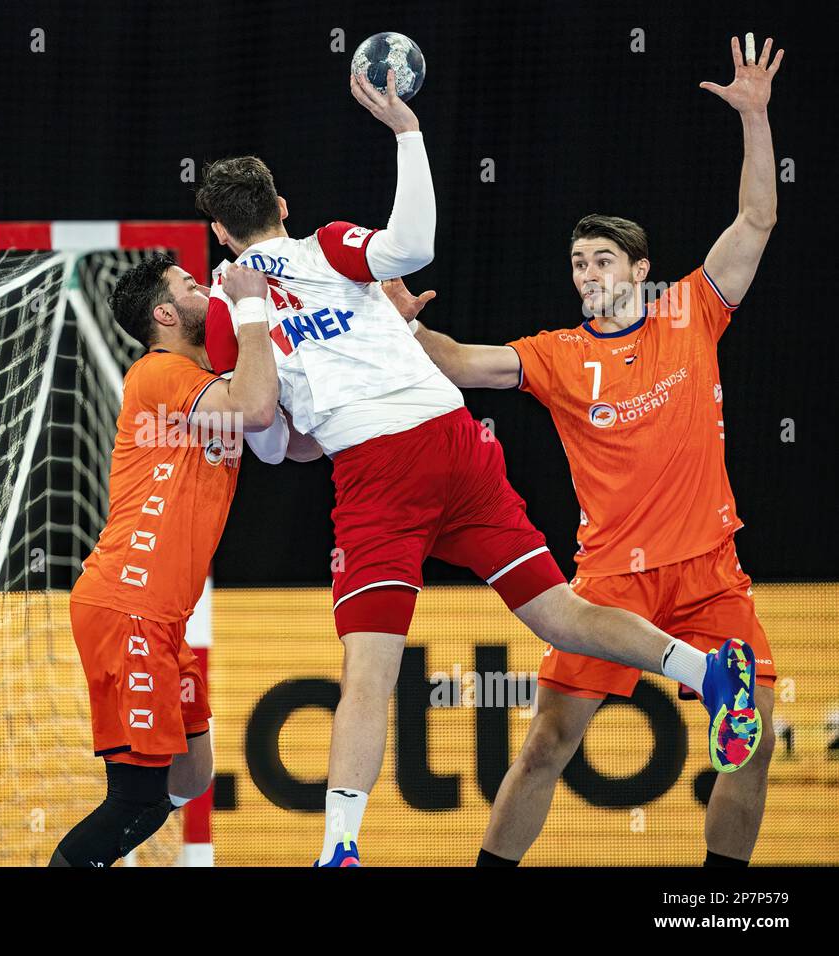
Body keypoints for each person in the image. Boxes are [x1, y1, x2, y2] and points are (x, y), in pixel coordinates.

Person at [197, 66, 762, 868]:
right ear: (283, 206)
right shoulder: (330, 245)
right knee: (557, 611)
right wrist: (407, 132)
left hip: (376, 470)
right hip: (453, 439)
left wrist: (258, 332)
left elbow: (264, 430)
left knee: (369, 667)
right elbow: (414, 247)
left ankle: (340, 848)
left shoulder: (227, 306)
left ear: (219, 234)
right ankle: (708, 673)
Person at [401, 34, 782, 866]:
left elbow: (757, 218)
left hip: (710, 570)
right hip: (610, 582)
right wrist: (407, 323)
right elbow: (464, 362)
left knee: (753, 744)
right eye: (577, 262)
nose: (587, 272)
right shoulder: (555, 355)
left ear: (639, 270)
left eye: (603, 258)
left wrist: (754, 117)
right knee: (546, 745)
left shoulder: (692, 311)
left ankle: (721, 900)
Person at [51, 257, 279, 866]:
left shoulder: (214, 385)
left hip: (161, 616)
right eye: (190, 286)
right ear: (165, 313)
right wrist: (254, 304)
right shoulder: (159, 373)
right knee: (138, 801)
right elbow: (257, 410)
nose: (206, 287)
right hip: (128, 602)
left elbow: (291, 440)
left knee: (191, 777)